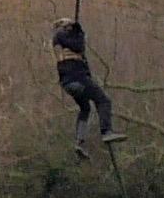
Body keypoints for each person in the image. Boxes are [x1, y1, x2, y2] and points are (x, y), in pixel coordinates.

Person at [52, 17, 126, 158]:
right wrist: (76, 26)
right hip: (77, 78)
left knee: (85, 108)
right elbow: (79, 44)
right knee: (103, 101)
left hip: (67, 84)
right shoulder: (66, 38)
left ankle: (80, 142)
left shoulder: (59, 42)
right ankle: (106, 132)